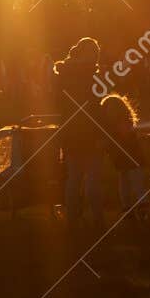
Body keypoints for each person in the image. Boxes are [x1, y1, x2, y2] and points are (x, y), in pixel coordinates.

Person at [54, 38, 106, 230]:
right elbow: (95, 107)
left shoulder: (67, 73)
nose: (93, 56)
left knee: (77, 179)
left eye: (95, 52)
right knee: (85, 179)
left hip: (77, 131)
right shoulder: (86, 76)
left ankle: (75, 220)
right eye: (91, 52)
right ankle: (94, 220)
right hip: (82, 131)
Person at [100, 94, 149, 221]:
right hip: (127, 158)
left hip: (131, 158)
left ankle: (138, 206)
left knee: (133, 182)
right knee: (127, 182)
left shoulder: (119, 123)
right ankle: (130, 207)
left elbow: (124, 137)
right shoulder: (119, 123)